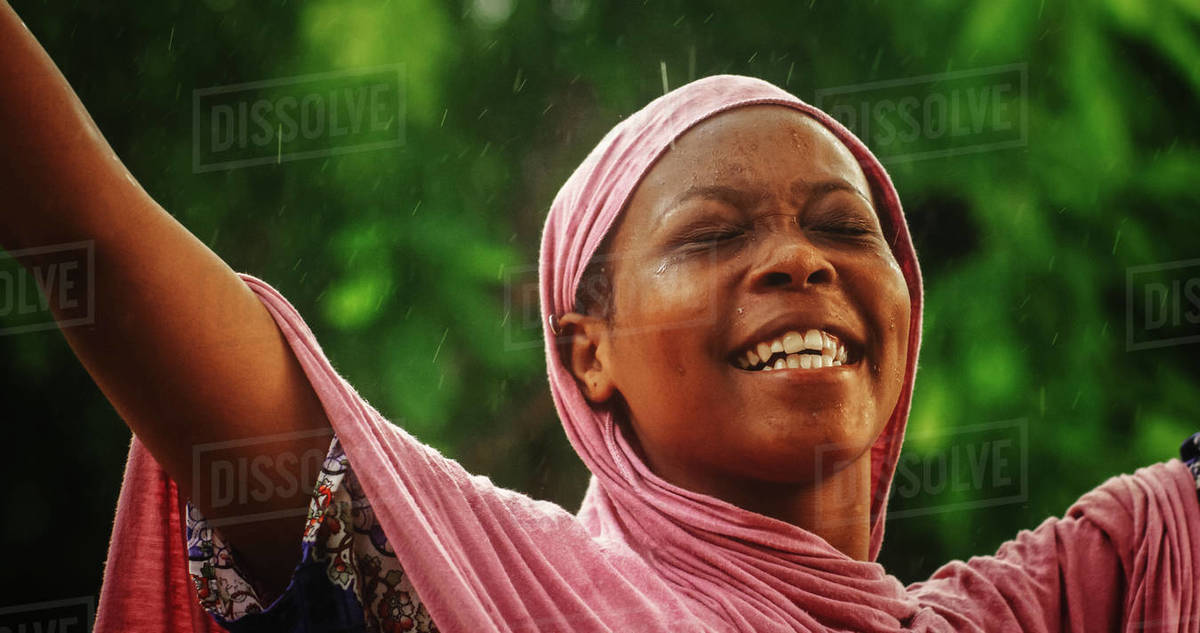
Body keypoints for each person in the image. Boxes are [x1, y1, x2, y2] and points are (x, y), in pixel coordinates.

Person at [4, 3, 1200, 631]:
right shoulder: (486, 576)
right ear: (588, 351)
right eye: (714, 234)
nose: (799, 261)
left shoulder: (1046, 605)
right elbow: (88, 229)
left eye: (845, 228)